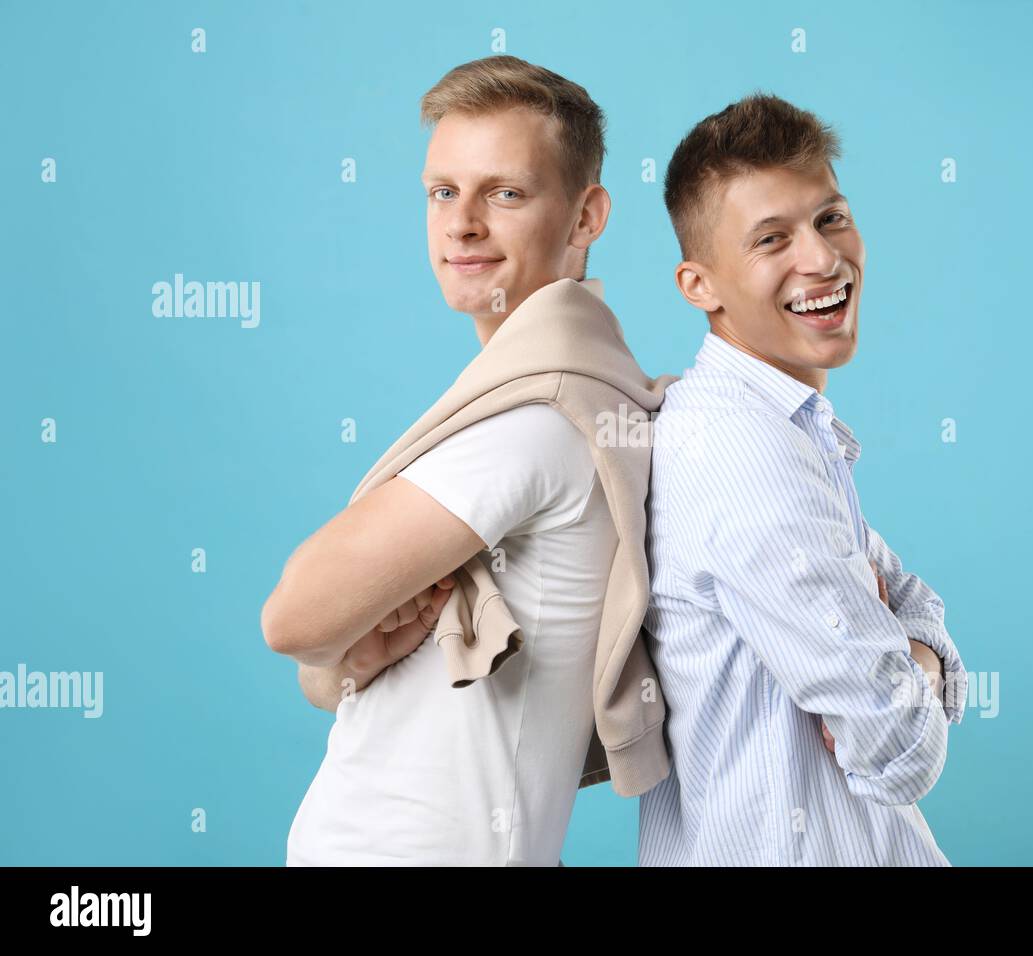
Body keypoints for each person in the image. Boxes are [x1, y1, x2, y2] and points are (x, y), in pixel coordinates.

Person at [261, 55, 669, 866]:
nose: (462, 224)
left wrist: (334, 641)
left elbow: (292, 618)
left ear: (587, 217)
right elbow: (328, 663)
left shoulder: (535, 420)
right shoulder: (539, 398)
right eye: (443, 191)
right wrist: (352, 653)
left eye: (505, 193)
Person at [637, 94, 970, 866]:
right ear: (700, 285)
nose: (821, 260)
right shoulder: (747, 458)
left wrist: (904, 642)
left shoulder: (776, 432)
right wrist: (919, 656)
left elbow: (912, 598)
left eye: (830, 218)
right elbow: (899, 750)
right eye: (770, 239)